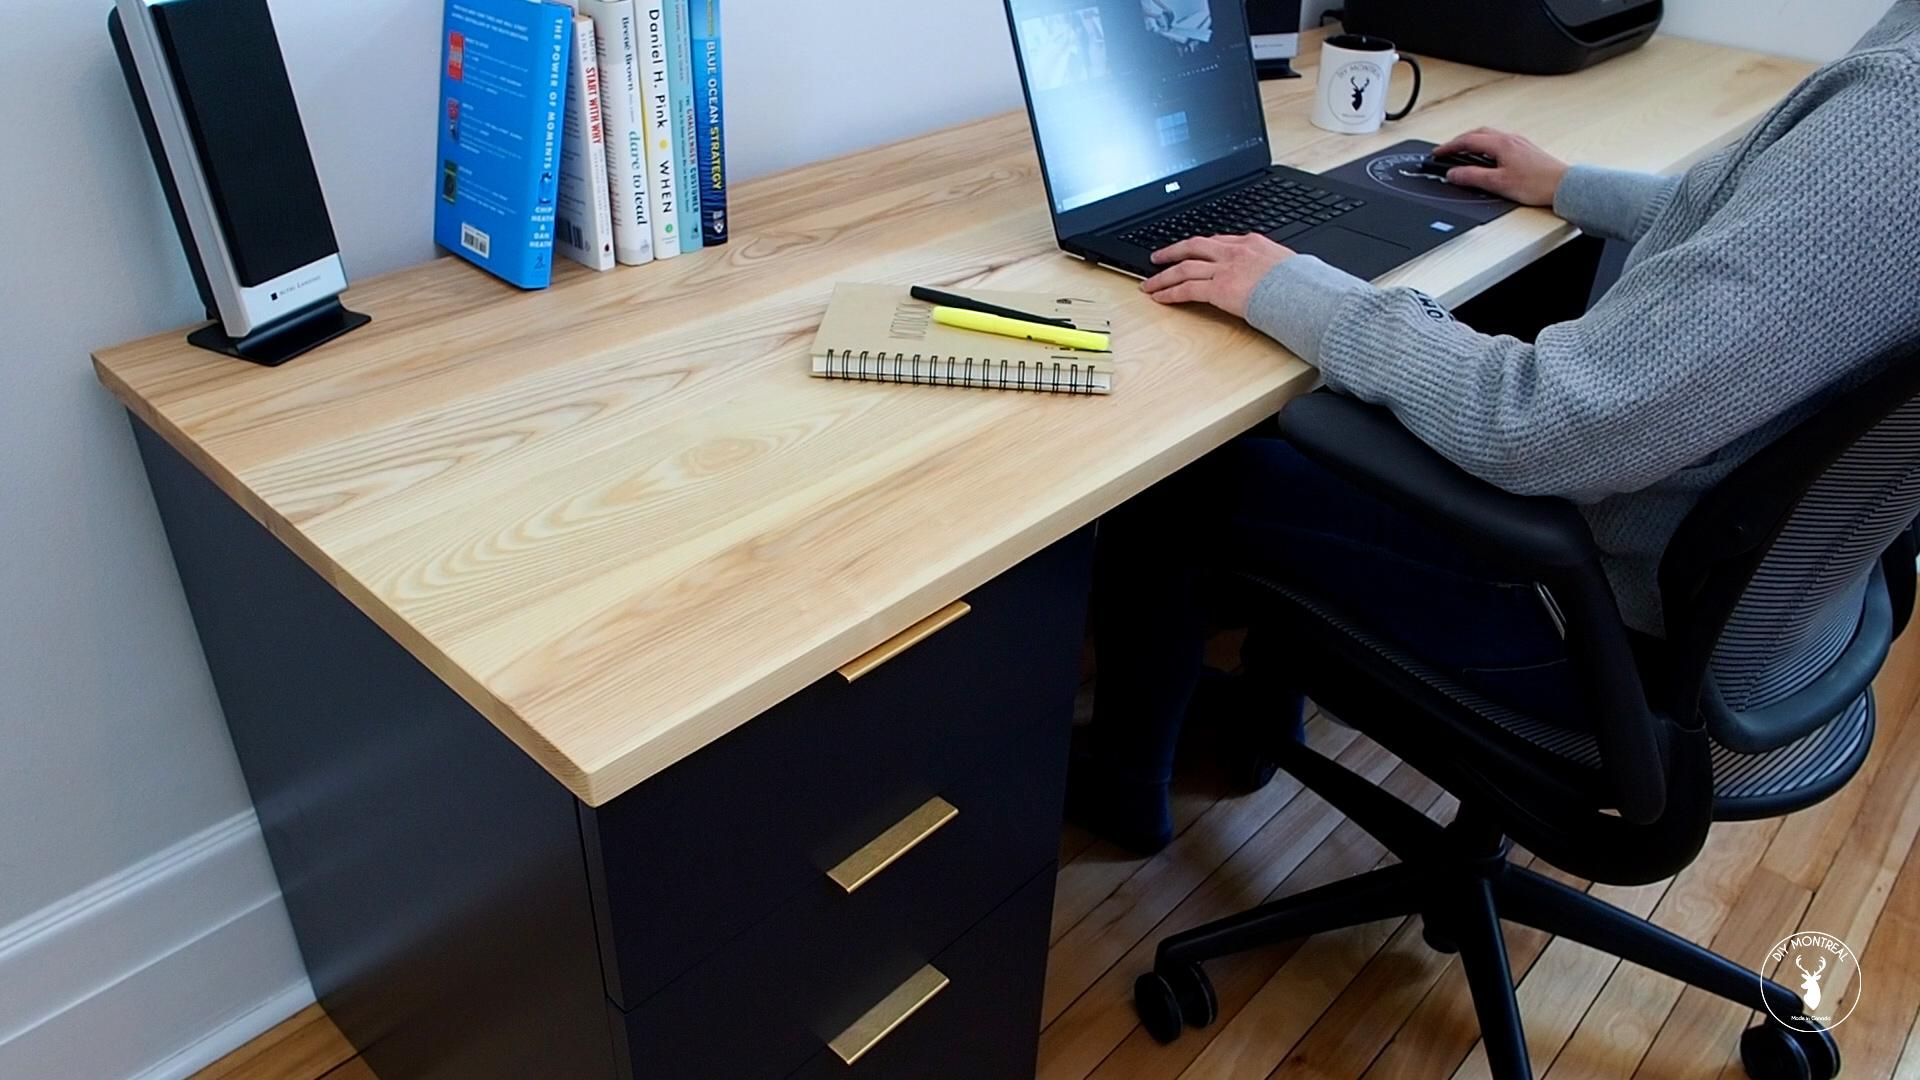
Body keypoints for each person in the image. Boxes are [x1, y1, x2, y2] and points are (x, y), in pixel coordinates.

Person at [1073, 0, 1920, 854]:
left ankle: (1125, 785)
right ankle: (1258, 727)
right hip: (1771, 608)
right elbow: (1770, 223)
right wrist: (1566, 185)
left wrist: (1293, 287)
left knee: (1187, 475)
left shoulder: (1896, 119)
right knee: (1312, 415)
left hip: (1588, 626)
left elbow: (1543, 425)